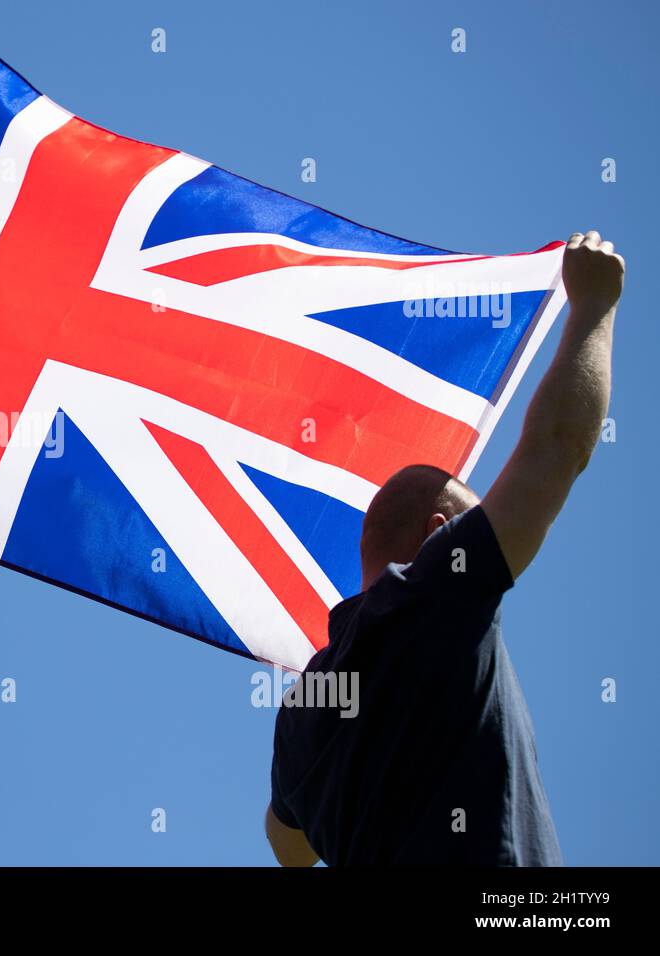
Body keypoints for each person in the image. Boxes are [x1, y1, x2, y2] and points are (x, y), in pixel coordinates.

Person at [265, 231, 624, 866]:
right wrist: (595, 305)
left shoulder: (304, 705)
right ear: (439, 536)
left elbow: (286, 847)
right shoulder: (433, 591)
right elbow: (558, 449)